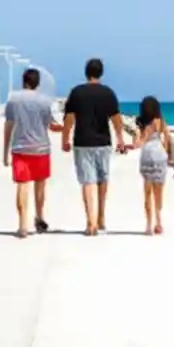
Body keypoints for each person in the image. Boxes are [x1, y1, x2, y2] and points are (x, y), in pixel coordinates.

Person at [60, 57, 124, 236]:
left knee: (87, 181)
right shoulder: (108, 93)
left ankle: (91, 222)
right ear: (101, 73)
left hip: (82, 142)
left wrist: (65, 138)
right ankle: (101, 216)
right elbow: (116, 119)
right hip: (103, 142)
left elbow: (69, 118)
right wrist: (120, 139)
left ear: (86, 73)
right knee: (102, 179)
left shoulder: (76, 93)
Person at [3, 67, 64, 238]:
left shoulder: (14, 99)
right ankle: (40, 217)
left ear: (24, 81)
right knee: (40, 185)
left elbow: (8, 125)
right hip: (41, 148)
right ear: (37, 83)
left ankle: (23, 225)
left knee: (23, 185)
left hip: (20, 149)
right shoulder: (44, 102)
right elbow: (51, 126)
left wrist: (5, 151)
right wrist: (68, 128)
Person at [134, 95, 172, 236]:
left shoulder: (141, 123)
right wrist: (167, 151)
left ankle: (148, 225)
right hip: (160, 155)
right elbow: (167, 136)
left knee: (147, 192)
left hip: (147, 156)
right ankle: (159, 222)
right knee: (159, 192)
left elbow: (138, 142)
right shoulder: (160, 121)